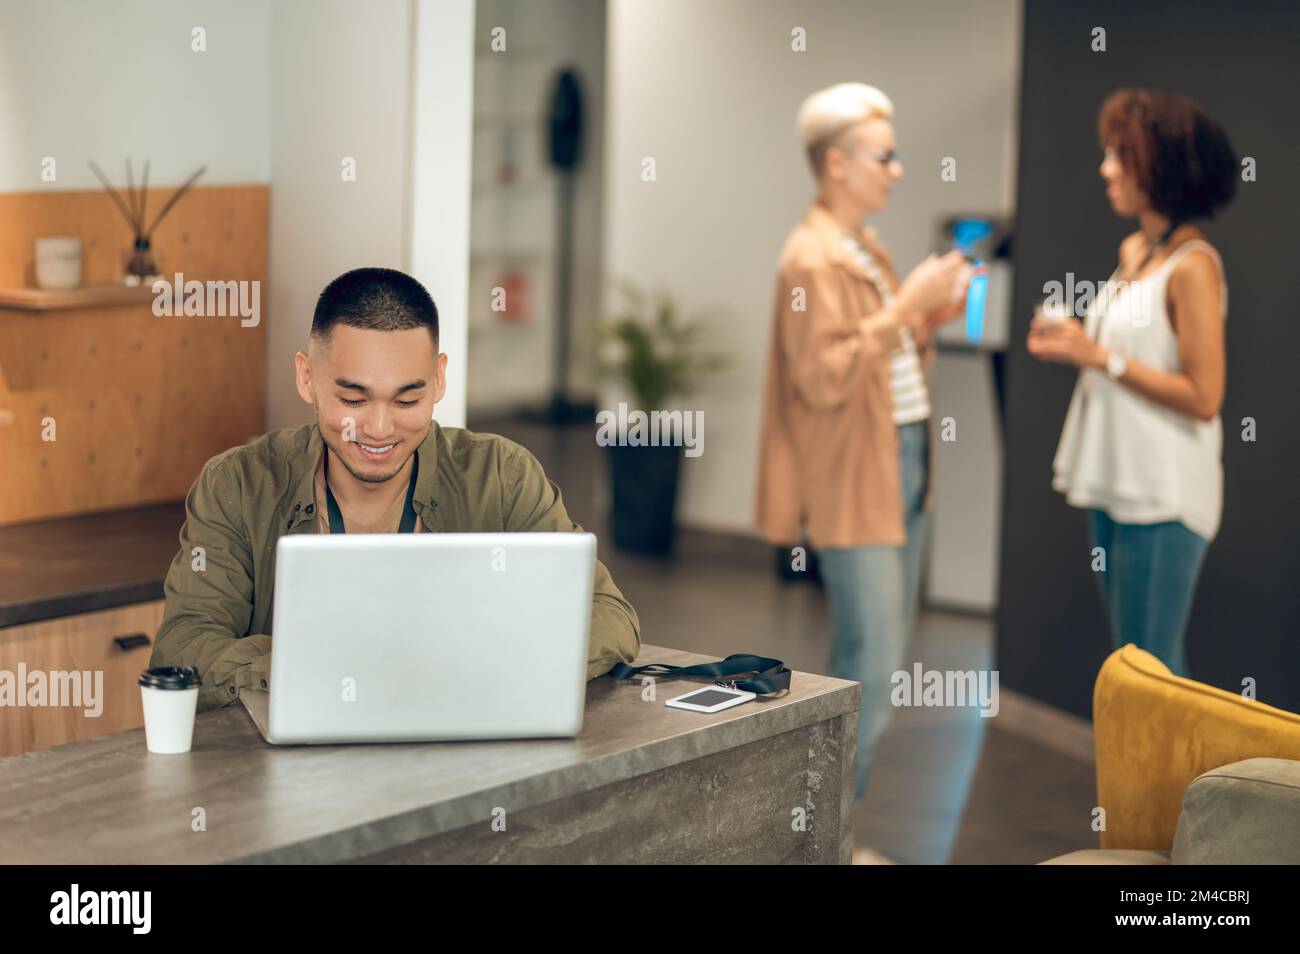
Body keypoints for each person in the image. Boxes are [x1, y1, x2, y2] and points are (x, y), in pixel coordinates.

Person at [151, 267, 640, 710]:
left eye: (408, 399)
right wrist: (336, 663)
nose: (380, 428)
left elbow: (608, 616)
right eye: (352, 399)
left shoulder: (502, 476)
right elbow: (185, 648)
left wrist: (467, 661)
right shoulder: (237, 484)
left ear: (440, 379)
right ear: (306, 378)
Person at [755, 83, 972, 804]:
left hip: (902, 464)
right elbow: (820, 378)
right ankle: (824, 841)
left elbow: (874, 363)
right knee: (869, 671)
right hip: (857, 478)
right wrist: (905, 308)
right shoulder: (812, 259)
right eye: (886, 155)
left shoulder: (861, 248)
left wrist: (923, 321)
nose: (898, 169)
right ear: (838, 165)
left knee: (879, 664)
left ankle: (833, 836)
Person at [1028, 89, 1236, 677]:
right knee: (1130, 660)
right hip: (1118, 479)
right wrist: (1077, 344)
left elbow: (1205, 396)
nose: (1106, 168)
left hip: (1162, 493)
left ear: (1163, 166)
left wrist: (1098, 356)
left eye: (1122, 155)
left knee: (1153, 672)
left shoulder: (1193, 265)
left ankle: (1164, 777)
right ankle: (1133, 774)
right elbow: (1120, 352)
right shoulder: (1136, 249)